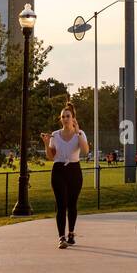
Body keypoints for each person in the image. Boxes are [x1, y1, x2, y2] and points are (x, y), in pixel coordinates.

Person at [41, 104, 89, 250]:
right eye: (63, 117)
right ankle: (61, 237)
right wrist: (46, 144)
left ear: (73, 118)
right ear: (60, 119)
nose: (65, 119)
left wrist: (78, 131)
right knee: (61, 204)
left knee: (72, 204)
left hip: (74, 170)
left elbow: (86, 151)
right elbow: (50, 156)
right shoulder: (55, 135)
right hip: (59, 170)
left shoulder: (79, 134)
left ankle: (71, 233)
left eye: (68, 116)